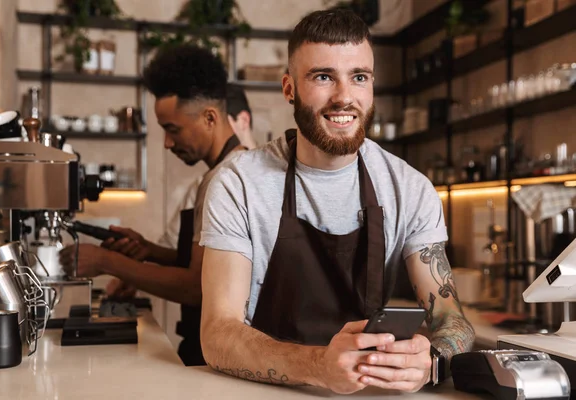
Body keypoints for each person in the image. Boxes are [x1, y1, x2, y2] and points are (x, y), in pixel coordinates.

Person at [199, 10, 475, 394]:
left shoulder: (410, 189)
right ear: (289, 89)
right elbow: (216, 334)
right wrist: (318, 366)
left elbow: (453, 322)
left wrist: (430, 359)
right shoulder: (238, 185)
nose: (344, 97)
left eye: (359, 77)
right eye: (324, 77)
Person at [59, 44, 248, 366]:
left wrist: (107, 262)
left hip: (222, 354)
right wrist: (149, 251)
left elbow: (197, 287)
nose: (167, 143)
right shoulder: (225, 171)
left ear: (210, 117)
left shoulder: (227, 179)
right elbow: (211, 262)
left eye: (172, 130)